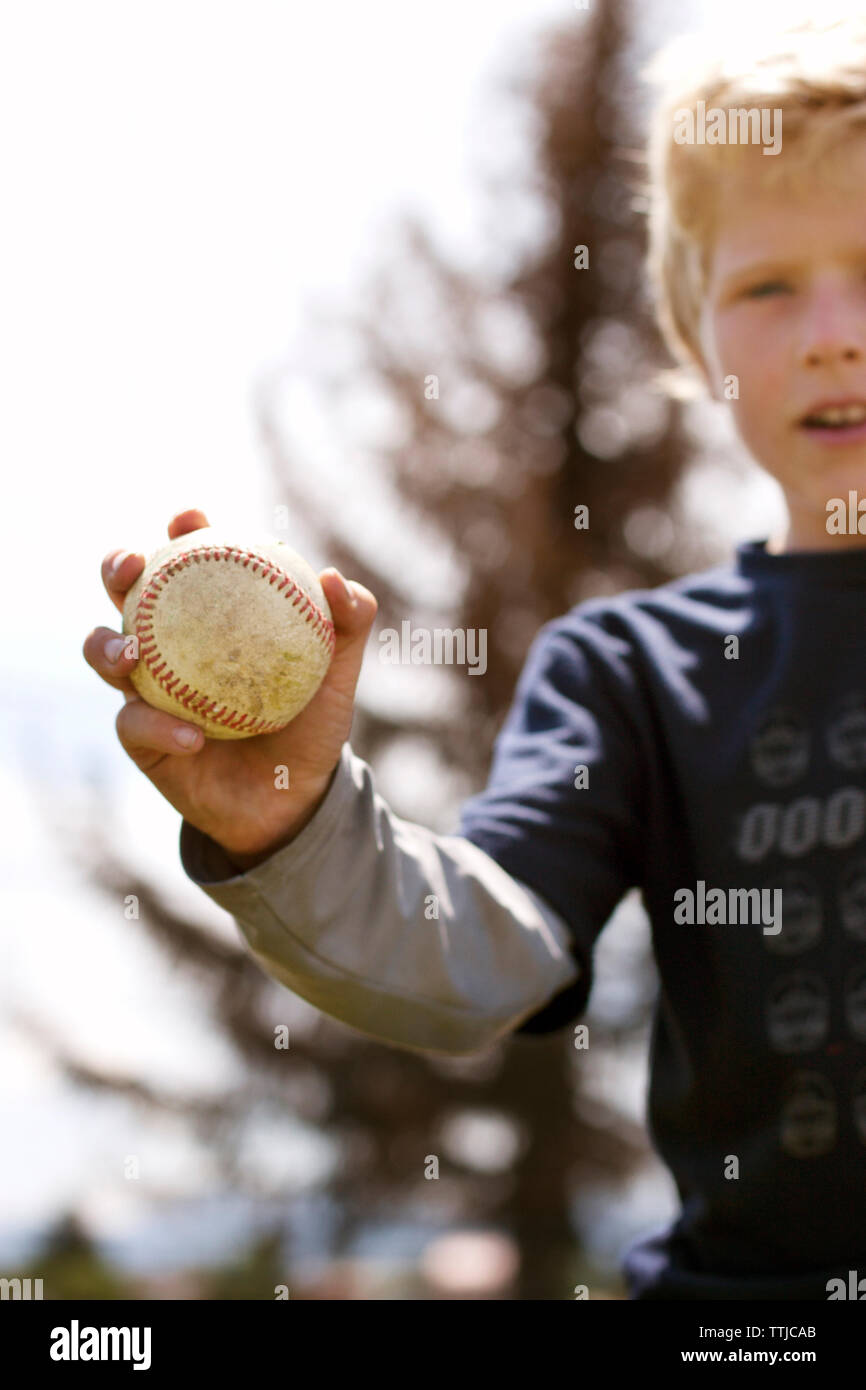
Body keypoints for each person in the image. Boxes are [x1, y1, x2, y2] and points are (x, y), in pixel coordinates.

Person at [84, 14, 866, 1300]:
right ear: (695, 341)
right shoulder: (633, 674)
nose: (832, 329)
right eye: (765, 285)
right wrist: (296, 831)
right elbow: (485, 954)